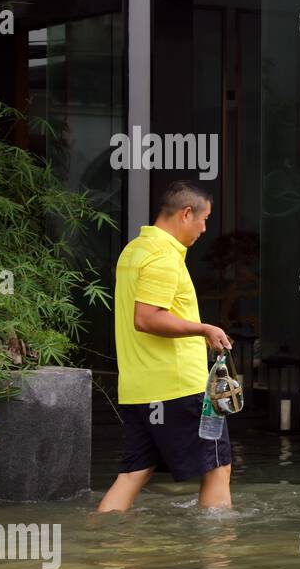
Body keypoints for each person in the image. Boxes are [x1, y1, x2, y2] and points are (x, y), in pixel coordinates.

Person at [97, 180, 234, 512]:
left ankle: (103, 544)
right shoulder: (163, 257)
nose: (204, 229)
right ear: (187, 214)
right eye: (204, 219)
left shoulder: (134, 250)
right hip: (176, 388)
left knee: (134, 473)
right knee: (217, 467)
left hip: (137, 388)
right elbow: (146, 318)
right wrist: (204, 328)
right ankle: (218, 558)